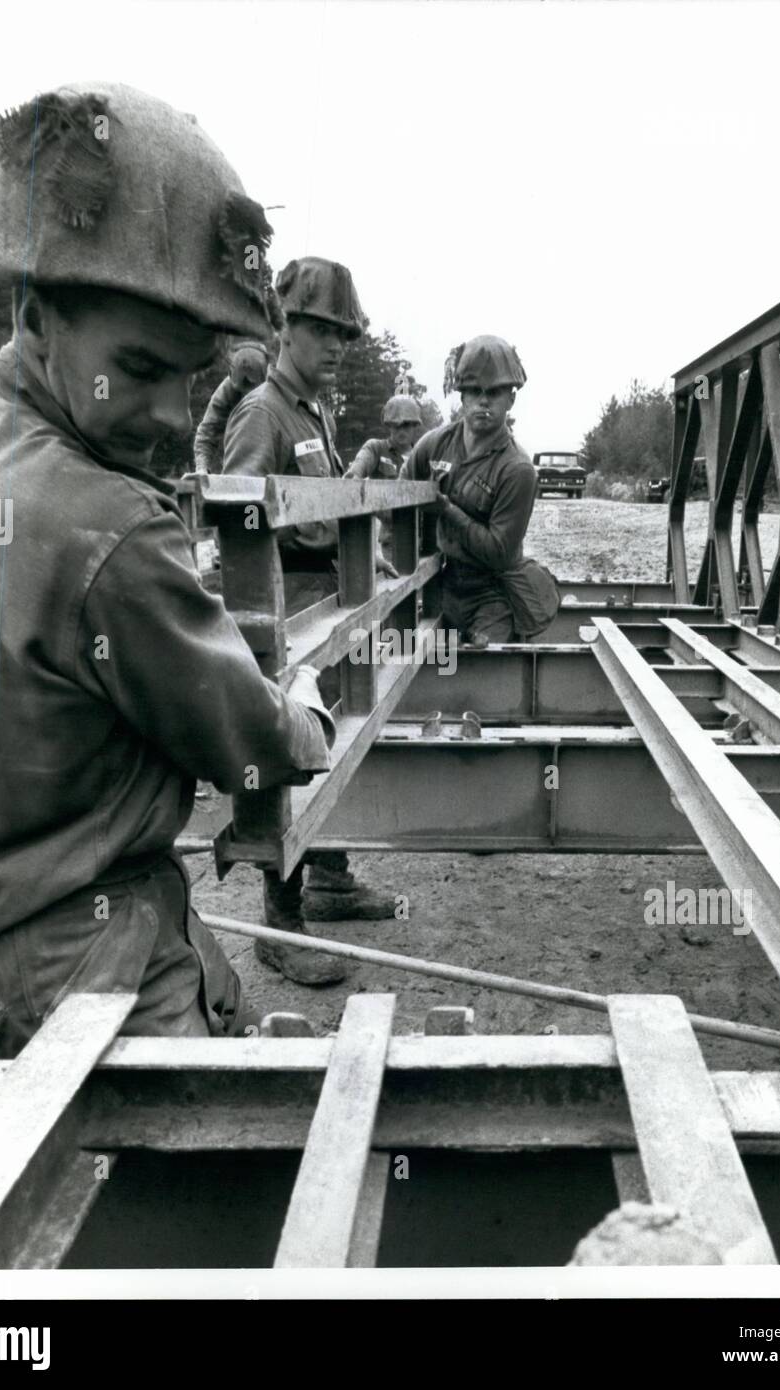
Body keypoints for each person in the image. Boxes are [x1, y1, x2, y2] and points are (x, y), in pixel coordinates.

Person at [0, 82, 337, 1059]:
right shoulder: (102, 522)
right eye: (142, 369)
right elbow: (252, 740)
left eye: (189, 376)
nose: (166, 413)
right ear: (35, 315)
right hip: (91, 958)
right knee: (213, 1179)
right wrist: (309, 703)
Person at [223, 257, 400, 986]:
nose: (335, 345)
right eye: (321, 329)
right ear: (283, 328)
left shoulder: (314, 412)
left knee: (331, 740)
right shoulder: (261, 413)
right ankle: (280, 923)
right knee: (287, 755)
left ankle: (329, 879)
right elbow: (238, 517)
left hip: (328, 607)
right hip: (285, 615)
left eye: (344, 334)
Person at [402, 335, 560, 645]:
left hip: (494, 593)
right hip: (443, 583)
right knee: (424, 660)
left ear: (511, 399)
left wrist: (446, 510)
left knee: (489, 672)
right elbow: (396, 500)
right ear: (461, 396)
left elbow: (498, 552)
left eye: (495, 392)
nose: (483, 402)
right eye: (474, 392)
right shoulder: (435, 445)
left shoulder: (517, 468)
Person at [346, 394, 425, 565]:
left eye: (406, 425)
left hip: (422, 540)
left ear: (415, 426)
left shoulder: (422, 455)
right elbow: (353, 475)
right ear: (388, 425)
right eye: (395, 425)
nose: (401, 430)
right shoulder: (376, 448)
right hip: (392, 540)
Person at [193, 339, 271, 473]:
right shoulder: (226, 392)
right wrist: (202, 467)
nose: (247, 396)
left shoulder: (279, 389)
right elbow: (207, 432)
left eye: (252, 389)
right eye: (242, 390)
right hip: (238, 462)